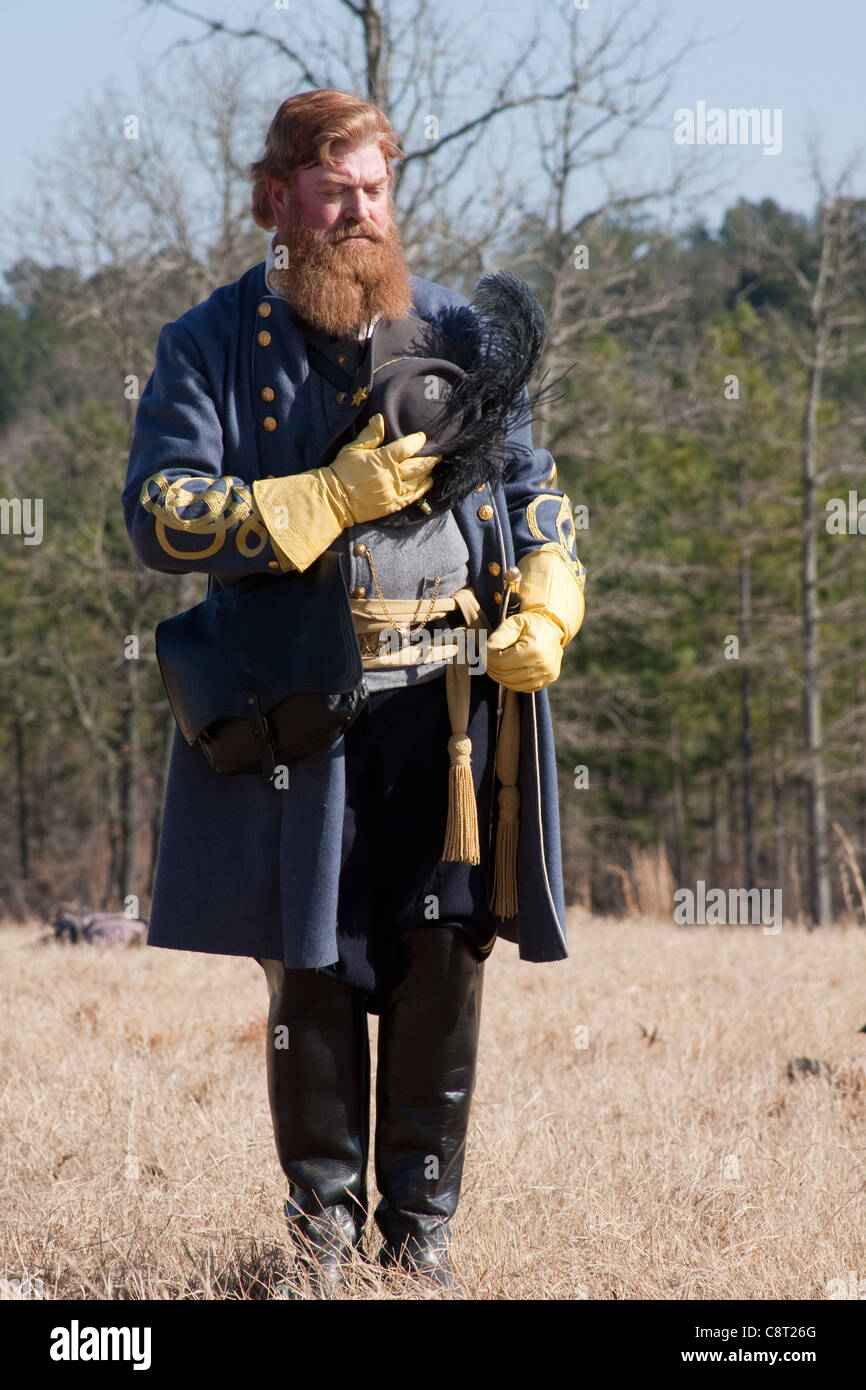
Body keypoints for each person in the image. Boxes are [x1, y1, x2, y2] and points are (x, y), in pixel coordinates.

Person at [122, 88, 586, 1298]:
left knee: (443, 956)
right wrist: (321, 498)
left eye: (376, 188)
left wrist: (547, 595)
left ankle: (419, 1236)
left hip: (444, 710)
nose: (360, 212)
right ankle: (321, 1232)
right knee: (310, 965)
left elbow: (536, 490)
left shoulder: (453, 330)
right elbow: (157, 514)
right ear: (278, 197)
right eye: (335, 190)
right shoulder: (206, 343)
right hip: (298, 711)